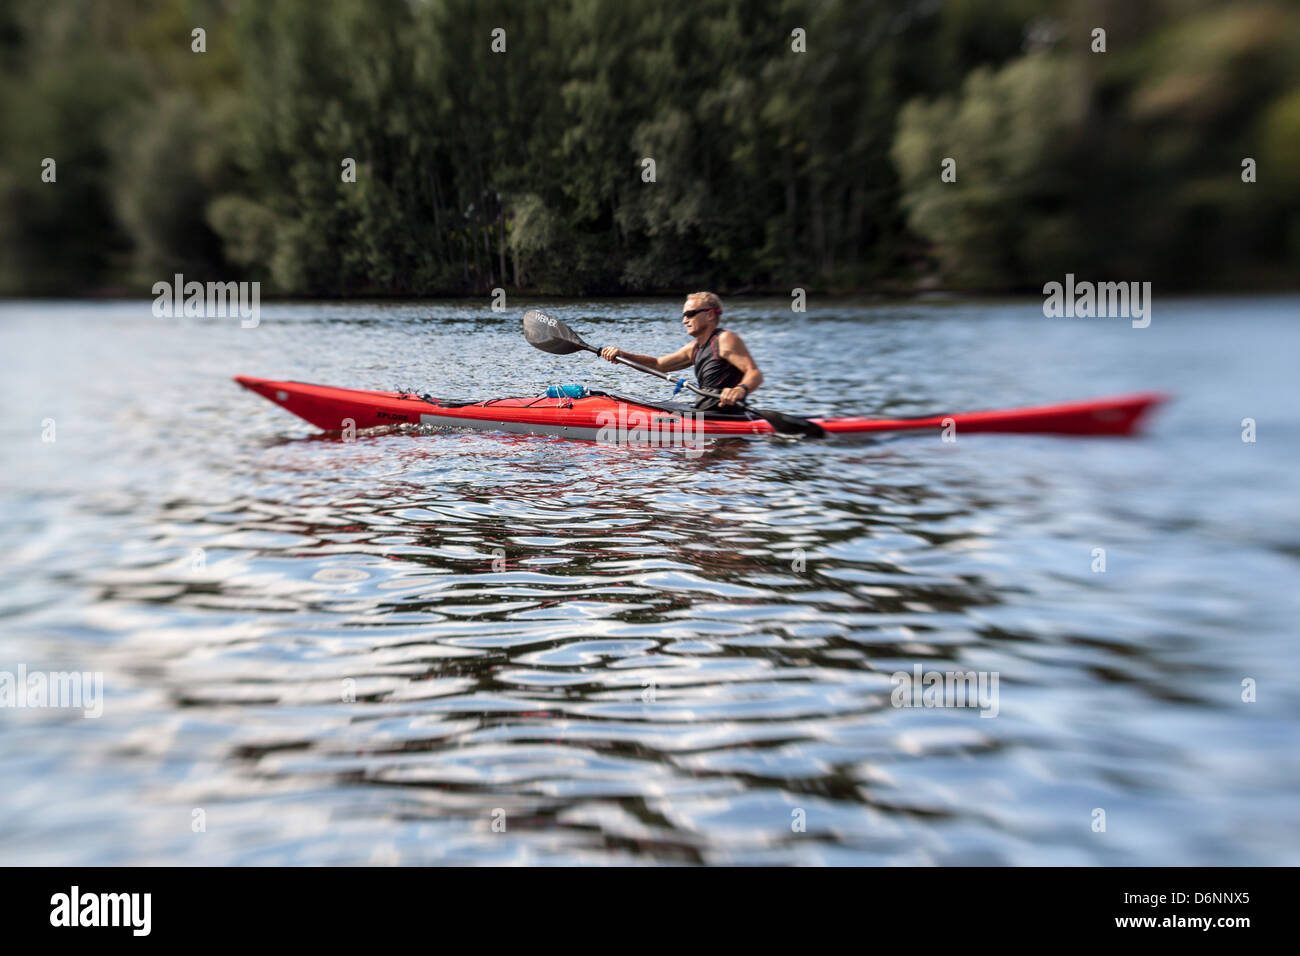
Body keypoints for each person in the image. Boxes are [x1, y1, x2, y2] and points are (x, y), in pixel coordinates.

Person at [599, 292, 763, 410]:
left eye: (691, 314)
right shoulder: (694, 348)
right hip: (705, 413)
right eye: (684, 315)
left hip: (727, 415)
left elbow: (754, 373)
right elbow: (658, 364)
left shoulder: (725, 339)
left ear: (710, 315)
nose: (685, 320)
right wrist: (622, 355)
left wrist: (740, 390)